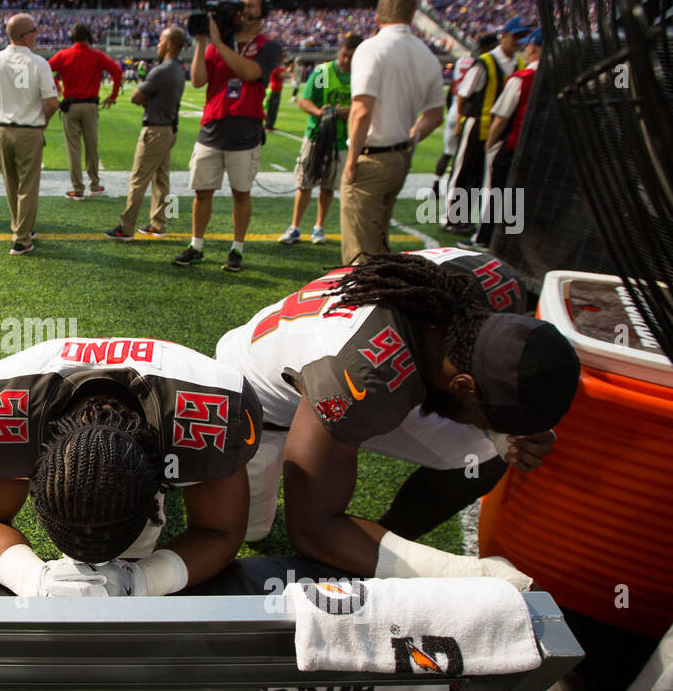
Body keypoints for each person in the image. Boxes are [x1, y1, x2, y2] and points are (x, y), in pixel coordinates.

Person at [0, 335, 262, 691]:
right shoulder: (5, 407)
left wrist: (143, 578)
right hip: (38, 398)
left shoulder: (211, 413)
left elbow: (221, 530)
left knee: (120, 595)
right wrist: (32, 577)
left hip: (169, 406)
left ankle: (128, 571)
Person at [213, 249, 578, 584]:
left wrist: (505, 433)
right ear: (464, 386)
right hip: (255, 397)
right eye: (495, 420)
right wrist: (464, 575)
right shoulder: (360, 379)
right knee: (255, 531)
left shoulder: (494, 282)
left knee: (483, 457)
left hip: (357, 360)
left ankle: (385, 542)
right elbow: (312, 529)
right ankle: (363, 553)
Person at [174, 0, 283, 273]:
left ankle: (237, 248)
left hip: (245, 129)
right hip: (212, 125)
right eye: (239, 4)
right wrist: (201, 43)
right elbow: (198, 80)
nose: (241, 9)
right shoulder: (217, 42)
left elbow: (251, 73)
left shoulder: (268, 46)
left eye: (248, 5)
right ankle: (196, 245)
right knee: (202, 191)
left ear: (263, 11)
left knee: (241, 193)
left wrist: (219, 43)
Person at [338, 0, 445, 265]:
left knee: (361, 255)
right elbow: (435, 115)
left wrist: (351, 161)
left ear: (377, 17)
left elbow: (361, 112)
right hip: (399, 157)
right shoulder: (428, 56)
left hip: (371, 157)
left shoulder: (371, 49)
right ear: (411, 16)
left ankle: (368, 306)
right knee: (380, 243)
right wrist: (410, 138)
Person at [0, 13, 59, 255]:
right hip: (28, 130)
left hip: (2, 129)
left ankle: (20, 228)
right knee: (28, 186)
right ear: (25, 35)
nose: (37, 34)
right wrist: (42, 122)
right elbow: (53, 102)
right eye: (34, 29)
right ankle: (22, 238)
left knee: (11, 184)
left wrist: (0, 114)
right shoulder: (38, 63)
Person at [445, 17, 530, 235]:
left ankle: (472, 220)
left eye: (521, 38)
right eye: (515, 36)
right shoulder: (485, 62)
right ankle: (453, 218)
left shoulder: (519, 64)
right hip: (477, 124)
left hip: (500, 127)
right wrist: (463, 120)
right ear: (503, 36)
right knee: (465, 171)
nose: (518, 42)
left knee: (486, 177)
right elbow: (463, 95)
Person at [278, 33, 361, 246]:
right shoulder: (323, 72)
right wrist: (320, 112)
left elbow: (364, 106)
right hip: (316, 137)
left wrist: (349, 111)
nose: (347, 61)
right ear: (339, 52)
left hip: (341, 140)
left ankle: (318, 227)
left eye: (352, 57)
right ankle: (295, 227)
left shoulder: (360, 76)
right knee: (305, 183)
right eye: (344, 55)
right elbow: (304, 100)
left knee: (328, 185)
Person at [463, 29, 542, 250]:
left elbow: (502, 116)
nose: (523, 48)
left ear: (533, 48)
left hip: (507, 140)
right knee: (515, 195)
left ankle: (483, 237)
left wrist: (490, 143)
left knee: (491, 189)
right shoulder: (552, 76)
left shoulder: (522, 76)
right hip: (535, 148)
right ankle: (508, 239)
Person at [106, 26, 187, 241]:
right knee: (161, 179)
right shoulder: (179, 69)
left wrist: (147, 100)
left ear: (169, 44)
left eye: (161, 41)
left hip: (155, 130)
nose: (157, 45)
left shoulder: (162, 70)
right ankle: (158, 223)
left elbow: (135, 96)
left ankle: (126, 227)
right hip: (169, 129)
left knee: (138, 179)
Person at [47, 23, 122, 199]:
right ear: (89, 37)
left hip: (70, 106)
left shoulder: (64, 55)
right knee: (92, 147)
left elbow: (45, 69)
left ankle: (77, 189)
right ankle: (94, 185)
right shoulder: (97, 56)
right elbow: (117, 71)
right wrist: (113, 95)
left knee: (73, 149)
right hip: (90, 106)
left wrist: (56, 86)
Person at [433, 35, 494, 202]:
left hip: (454, 110)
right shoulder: (484, 64)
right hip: (468, 114)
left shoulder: (461, 61)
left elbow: (454, 87)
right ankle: (454, 202)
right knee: (463, 160)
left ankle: (436, 184)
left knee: (448, 153)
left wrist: (452, 110)